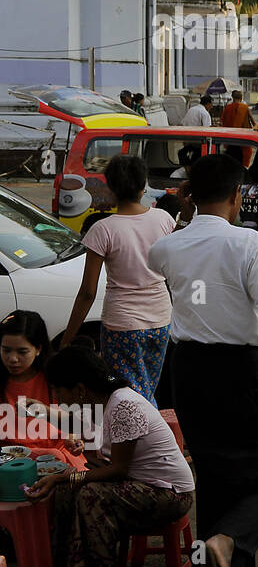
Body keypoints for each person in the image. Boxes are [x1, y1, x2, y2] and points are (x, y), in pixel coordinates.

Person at [147, 154, 258, 567]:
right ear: (239, 195)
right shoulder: (249, 245)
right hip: (240, 372)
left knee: (214, 481)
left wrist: (183, 217)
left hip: (189, 372)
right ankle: (221, 546)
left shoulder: (166, 248)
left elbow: (174, 270)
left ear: (190, 196)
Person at [25, 344, 193, 567]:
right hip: (138, 483)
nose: (57, 397)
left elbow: (118, 469)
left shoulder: (124, 405)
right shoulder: (102, 402)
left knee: (91, 495)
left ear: (80, 389)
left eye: (59, 390)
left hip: (169, 493)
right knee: (66, 491)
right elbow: (100, 452)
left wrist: (63, 476)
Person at [61, 156, 174, 404]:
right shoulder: (164, 219)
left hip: (122, 325)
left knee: (125, 395)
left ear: (110, 188)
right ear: (143, 186)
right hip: (161, 321)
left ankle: (144, 439)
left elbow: (87, 293)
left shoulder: (102, 230)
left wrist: (68, 339)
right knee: (146, 390)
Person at [1, 311, 87, 468]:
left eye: (22, 352)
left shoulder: (54, 376)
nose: (13, 359)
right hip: (8, 458)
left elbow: (74, 420)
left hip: (56, 454)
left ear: (38, 349)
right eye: (6, 350)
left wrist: (72, 438)